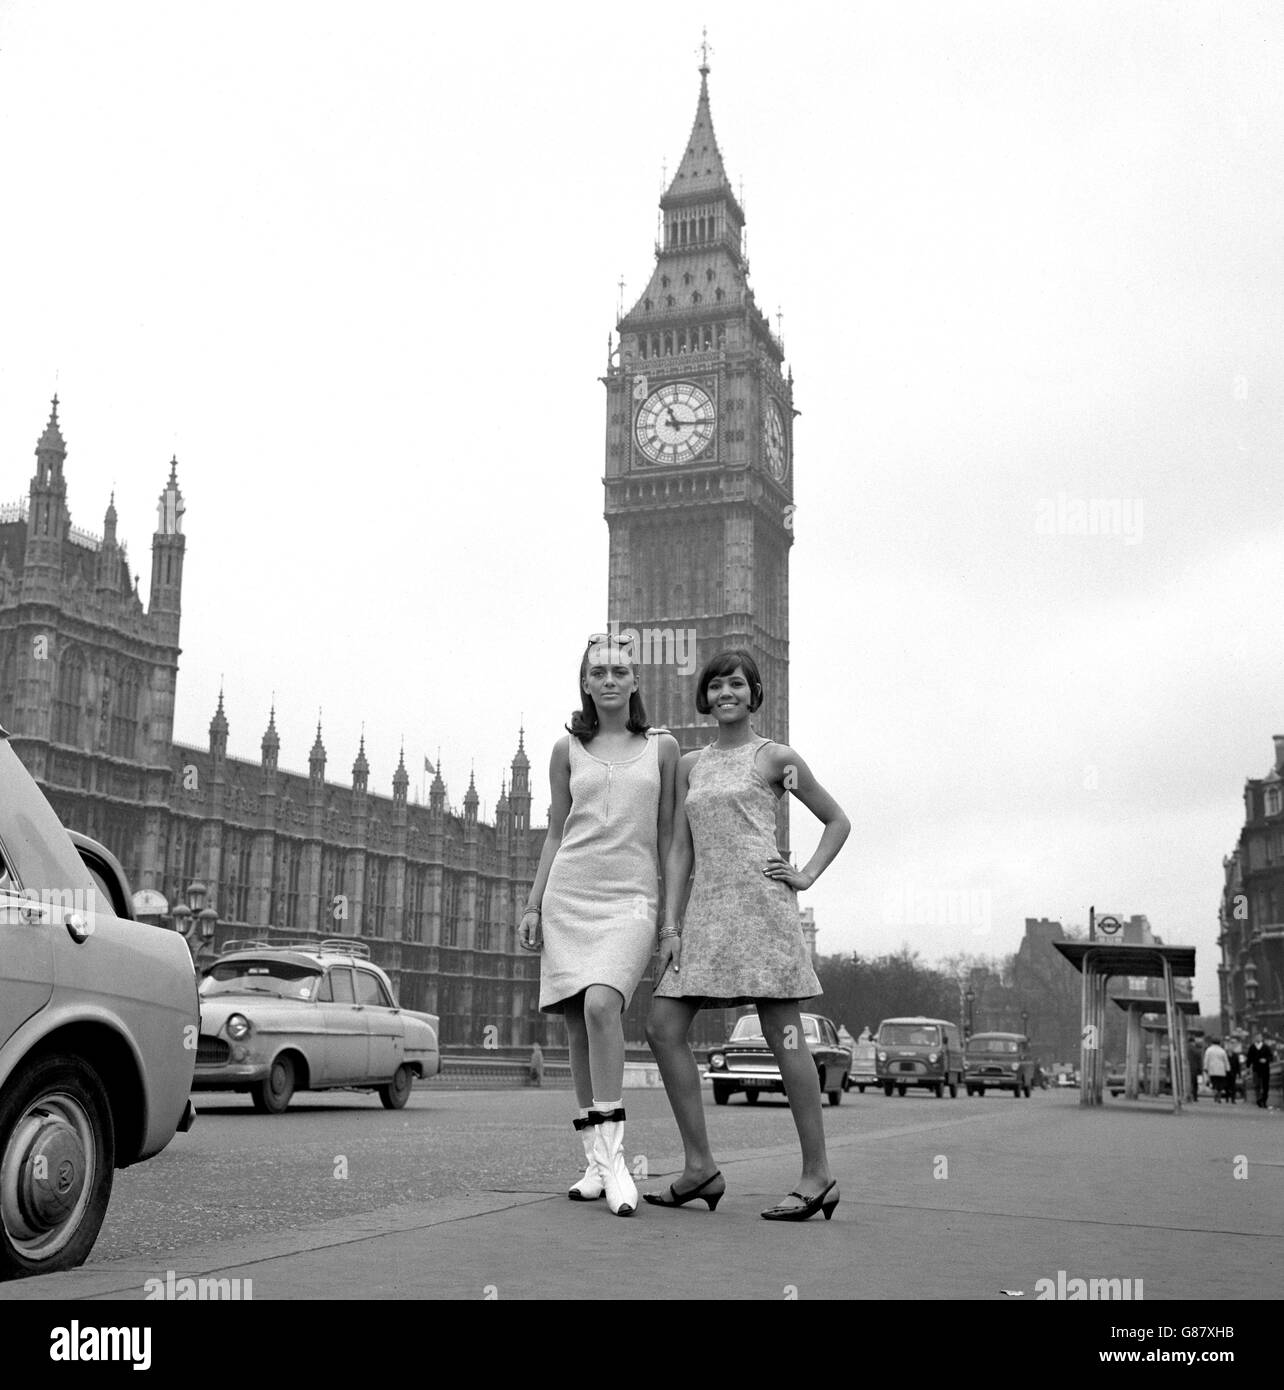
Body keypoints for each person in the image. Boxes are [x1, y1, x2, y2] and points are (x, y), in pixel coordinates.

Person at [644, 648, 851, 1221]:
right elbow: (680, 848)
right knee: (663, 1026)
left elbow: (838, 819)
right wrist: (670, 924)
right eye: (715, 686)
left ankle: (817, 1176)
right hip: (707, 910)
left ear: (755, 693)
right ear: (704, 697)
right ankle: (700, 1167)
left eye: (736, 684)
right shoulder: (689, 765)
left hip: (762, 907)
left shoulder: (776, 757)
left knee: (784, 1034)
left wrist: (805, 874)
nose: (725, 693)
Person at [519, 634, 678, 1216]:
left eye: (619, 670)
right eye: (598, 671)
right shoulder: (566, 749)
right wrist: (534, 904)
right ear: (585, 684)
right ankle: (595, 1162)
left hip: (632, 898)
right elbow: (557, 831)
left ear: (635, 681)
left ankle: (614, 1160)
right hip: (570, 893)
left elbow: (666, 837)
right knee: (576, 1029)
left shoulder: (662, 748)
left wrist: (669, 917)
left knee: (602, 1006)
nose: (609, 679)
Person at [1245, 1032, 1274, 1108]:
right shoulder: (1252, 1047)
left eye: (1259, 1037)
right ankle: (1259, 1099)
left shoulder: (1266, 1047)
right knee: (1257, 1085)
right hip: (1256, 1069)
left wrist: (1266, 1060)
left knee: (1265, 1086)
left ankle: (1264, 1100)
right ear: (1255, 1038)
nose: (1258, 1038)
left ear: (1262, 1038)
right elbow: (1249, 1058)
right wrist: (1248, 1067)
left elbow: (1271, 1057)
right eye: (1257, 1037)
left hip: (1265, 1069)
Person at [1202, 1037, 1229, 1102]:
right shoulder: (1222, 1050)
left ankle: (1215, 1093)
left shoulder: (1209, 1050)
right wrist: (1227, 1068)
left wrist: (1205, 1067)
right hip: (1221, 1070)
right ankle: (1219, 1096)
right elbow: (1225, 1060)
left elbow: (1206, 1059)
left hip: (1212, 1070)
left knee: (1214, 1083)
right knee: (1220, 1084)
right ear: (1219, 1043)